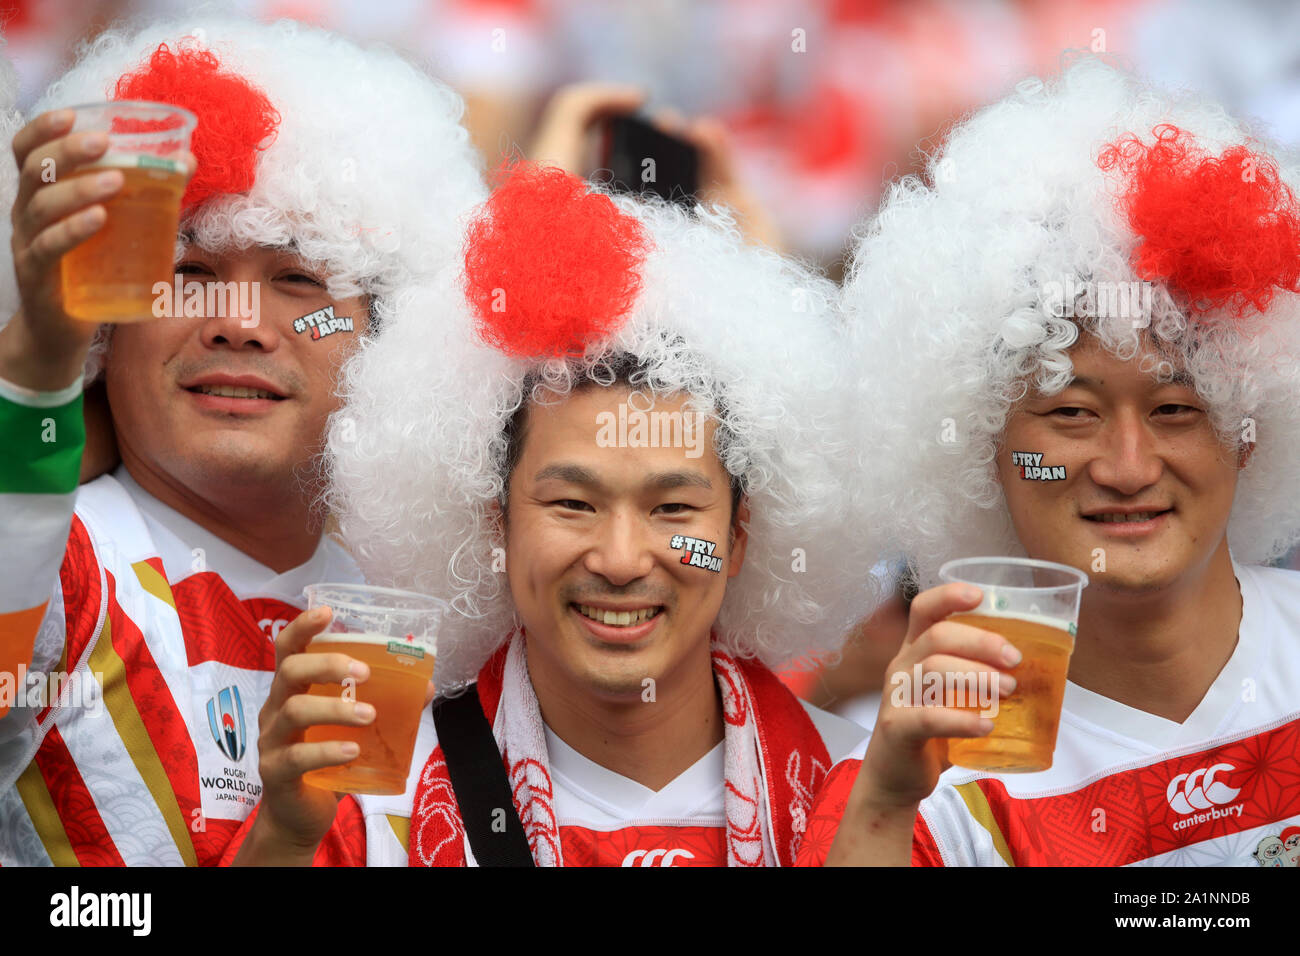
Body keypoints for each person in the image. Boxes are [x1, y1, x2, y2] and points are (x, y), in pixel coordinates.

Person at [226, 162, 882, 866]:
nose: (623, 559)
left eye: (673, 509)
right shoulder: (372, 800)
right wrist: (287, 840)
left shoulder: (869, 800)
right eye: (573, 504)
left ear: (740, 534)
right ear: (493, 521)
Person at [0, 16, 484, 865]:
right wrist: (39, 360)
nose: (238, 325)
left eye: (300, 280)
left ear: (388, 339)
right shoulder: (60, 567)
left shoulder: (448, 609)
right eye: (187, 274)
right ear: (102, 322)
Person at [800, 56, 1300, 866]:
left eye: (1176, 410)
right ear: (982, 444)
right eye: (1071, 415)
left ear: (1248, 430)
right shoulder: (917, 783)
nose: (1128, 466)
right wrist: (887, 809)